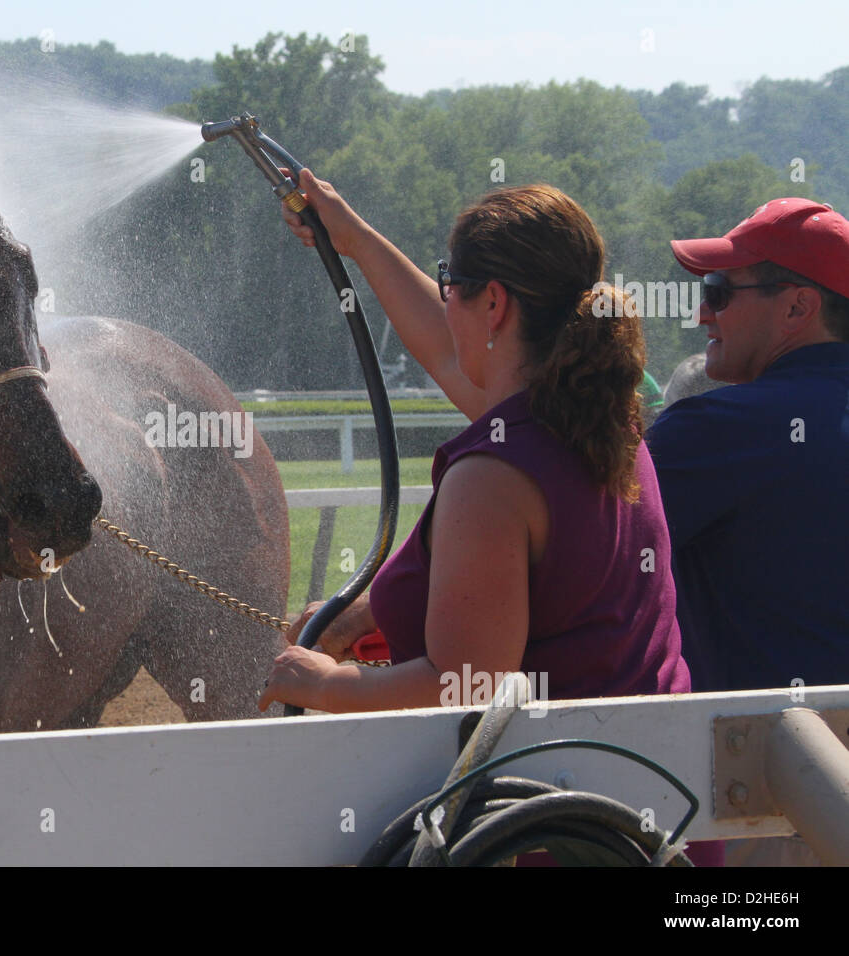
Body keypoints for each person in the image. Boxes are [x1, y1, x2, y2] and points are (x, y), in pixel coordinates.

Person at [257, 174, 690, 718]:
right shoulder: (603, 421)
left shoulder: (492, 478)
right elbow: (443, 351)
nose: (444, 299)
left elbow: (467, 684)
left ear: (494, 304)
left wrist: (325, 684)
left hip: (546, 783)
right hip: (649, 766)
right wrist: (355, 238)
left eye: (450, 282)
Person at [644, 199, 849, 867]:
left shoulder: (719, 427)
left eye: (719, 291)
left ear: (797, 308)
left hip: (779, 808)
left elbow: (552, 525)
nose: (703, 313)